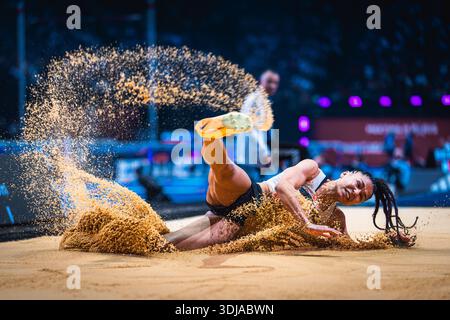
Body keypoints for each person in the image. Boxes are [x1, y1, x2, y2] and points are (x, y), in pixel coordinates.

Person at [164, 112, 417, 250]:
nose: (355, 192)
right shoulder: (312, 169)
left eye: (361, 197)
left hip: (235, 221)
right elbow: (284, 186)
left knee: (173, 244)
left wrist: (390, 241)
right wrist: (307, 223)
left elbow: (349, 245)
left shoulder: (335, 219)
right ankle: (212, 134)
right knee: (225, 169)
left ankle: (144, 242)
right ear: (347, 174)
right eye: (359, 185)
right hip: (249, 197)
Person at [236, 70, 280, 169]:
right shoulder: (254, 100)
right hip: (250, 159)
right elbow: (249, 129)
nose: (272, 86)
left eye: (275, 83)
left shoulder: (263, 101)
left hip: (255, 157)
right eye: (269, 81)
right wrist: (265, 153)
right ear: (261, 81)